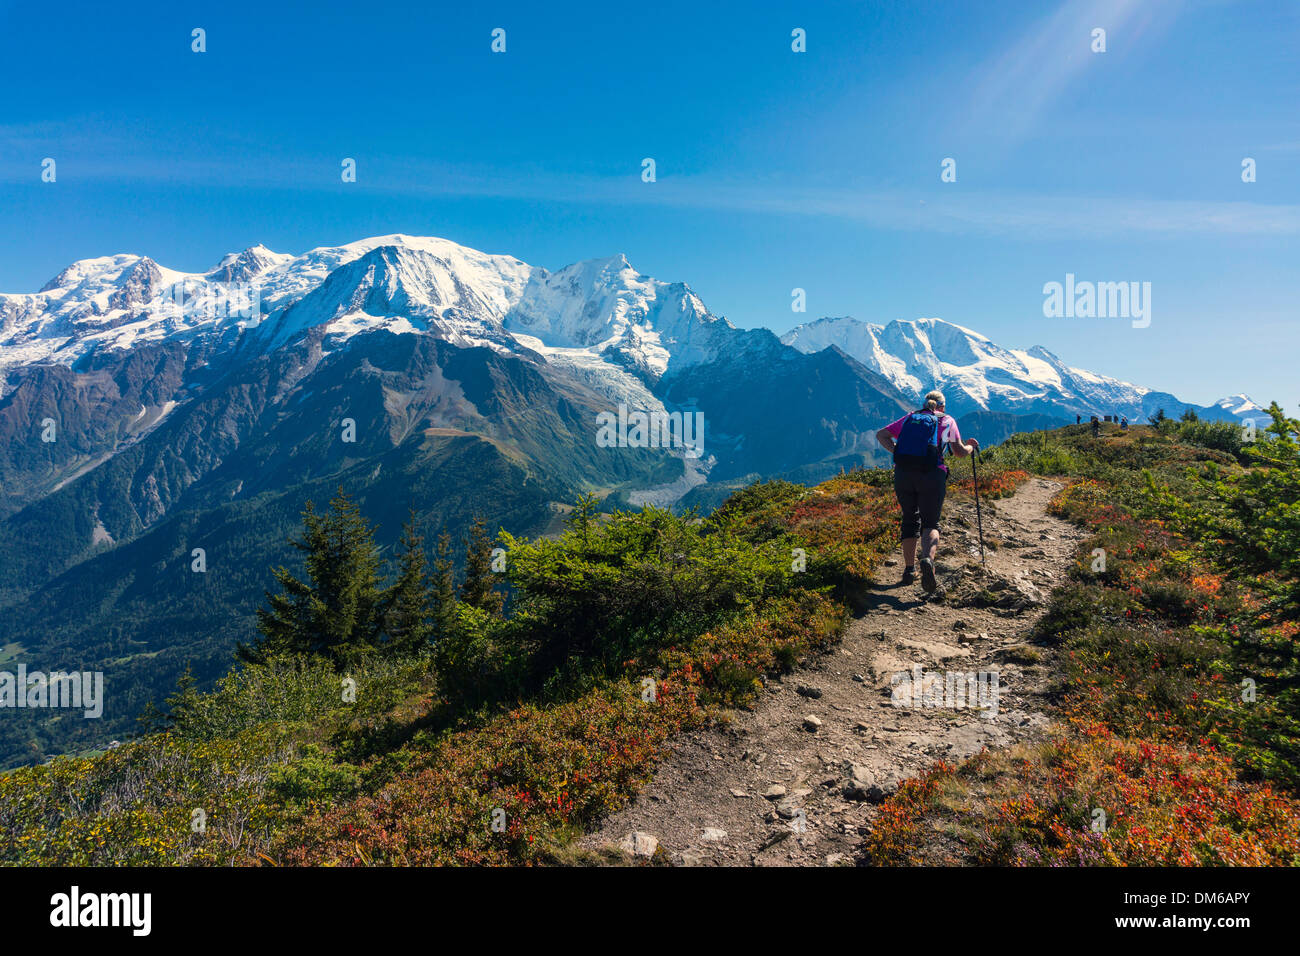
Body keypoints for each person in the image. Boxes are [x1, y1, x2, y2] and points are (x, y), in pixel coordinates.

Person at [876, 390, 978, 593]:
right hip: (932, 475)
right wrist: (970, 447)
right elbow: (958, 452)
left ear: (924, 404)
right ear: (942, 406)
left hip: (903, 474)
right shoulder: (947, 421)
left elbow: (881, 435)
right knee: (930, 522)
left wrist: (897, 451)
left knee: (909, 519)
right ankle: (927, 560)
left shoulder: (910, 418)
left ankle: (908, 570)